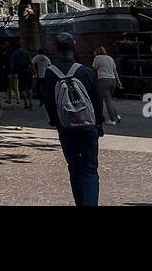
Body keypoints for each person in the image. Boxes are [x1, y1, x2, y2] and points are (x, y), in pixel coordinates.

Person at [42, 33, 103, 206]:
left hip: (66, 127)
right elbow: (97, 101)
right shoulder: (86, 71)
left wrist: (55, 121)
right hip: (88, 126)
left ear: (57, 49)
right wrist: (98, 123)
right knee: (90, 170)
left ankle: (80, 202)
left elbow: (49, 102)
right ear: (73, 48)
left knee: (74, 168)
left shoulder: (50, 74)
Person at [91, 46, 122, 125]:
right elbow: (115, 70)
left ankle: (112, 119)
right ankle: (117, 115)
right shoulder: (110, 58)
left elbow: (94, 67)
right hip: (113, 80)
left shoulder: (97, 58)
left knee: (104, 100)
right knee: (109, 99)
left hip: (103, 80)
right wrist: (119, 81)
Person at [10, 42, 34, 109]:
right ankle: (31, 103)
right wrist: (34, 72)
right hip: (28, 72)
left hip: (20, 73)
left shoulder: (14, 54)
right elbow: (31, 63)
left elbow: (12, 65)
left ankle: (26, 104)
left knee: (23, 88)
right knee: (30, 88)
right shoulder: (26, 53)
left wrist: (12, 73)